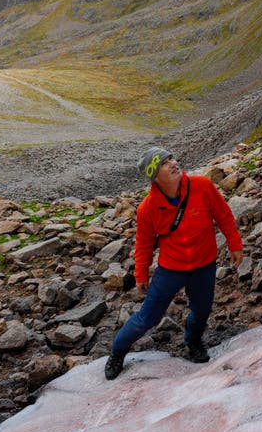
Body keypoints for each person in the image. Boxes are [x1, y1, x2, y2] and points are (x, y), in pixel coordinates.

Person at [105, 146, 244, 380]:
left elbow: (224, 215)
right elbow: (144, 244)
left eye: (172, 158)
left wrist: (235, 243)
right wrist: (141, 275)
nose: (173, 163)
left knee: (201, 310)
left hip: (204, 265)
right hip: (171, 270)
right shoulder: (147, 208)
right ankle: (117, 351)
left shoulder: (202, 186)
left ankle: (193, 341)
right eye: (164, 162)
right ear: (154, 175)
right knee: (147, 318)